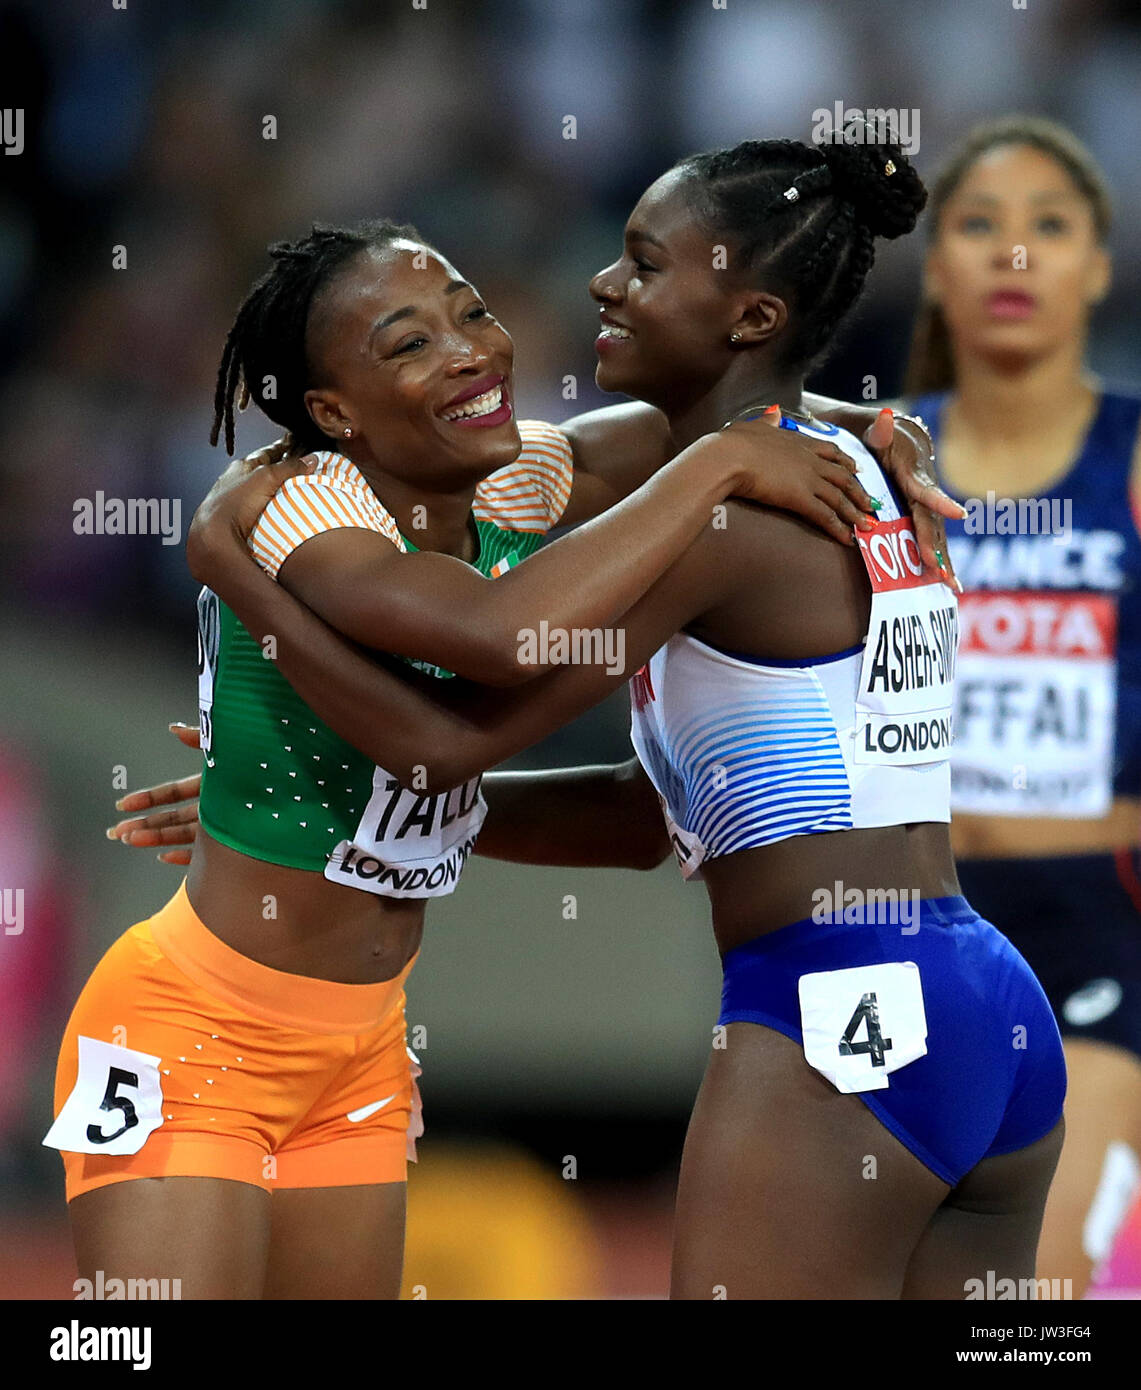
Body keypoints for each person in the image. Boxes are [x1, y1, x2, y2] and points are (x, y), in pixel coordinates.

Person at [118, 127, 1065, 1298]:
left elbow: (449, 727)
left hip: (840, 1012)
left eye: (646, 265)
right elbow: (643, 813)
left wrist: (232, 566)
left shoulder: (730, 508)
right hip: (985, 1013)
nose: (603, 285)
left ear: (751, 318)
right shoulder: (841, 458)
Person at [905, 115, 1141, 1295]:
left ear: (1097, 267)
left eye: (1048, 228)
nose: (1013, 258)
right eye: (980, 227)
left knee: (1035, 1292)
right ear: (934, 264)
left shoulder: (1135, 457)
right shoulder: (873, 468)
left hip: (1093, 923)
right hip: (890, 913)